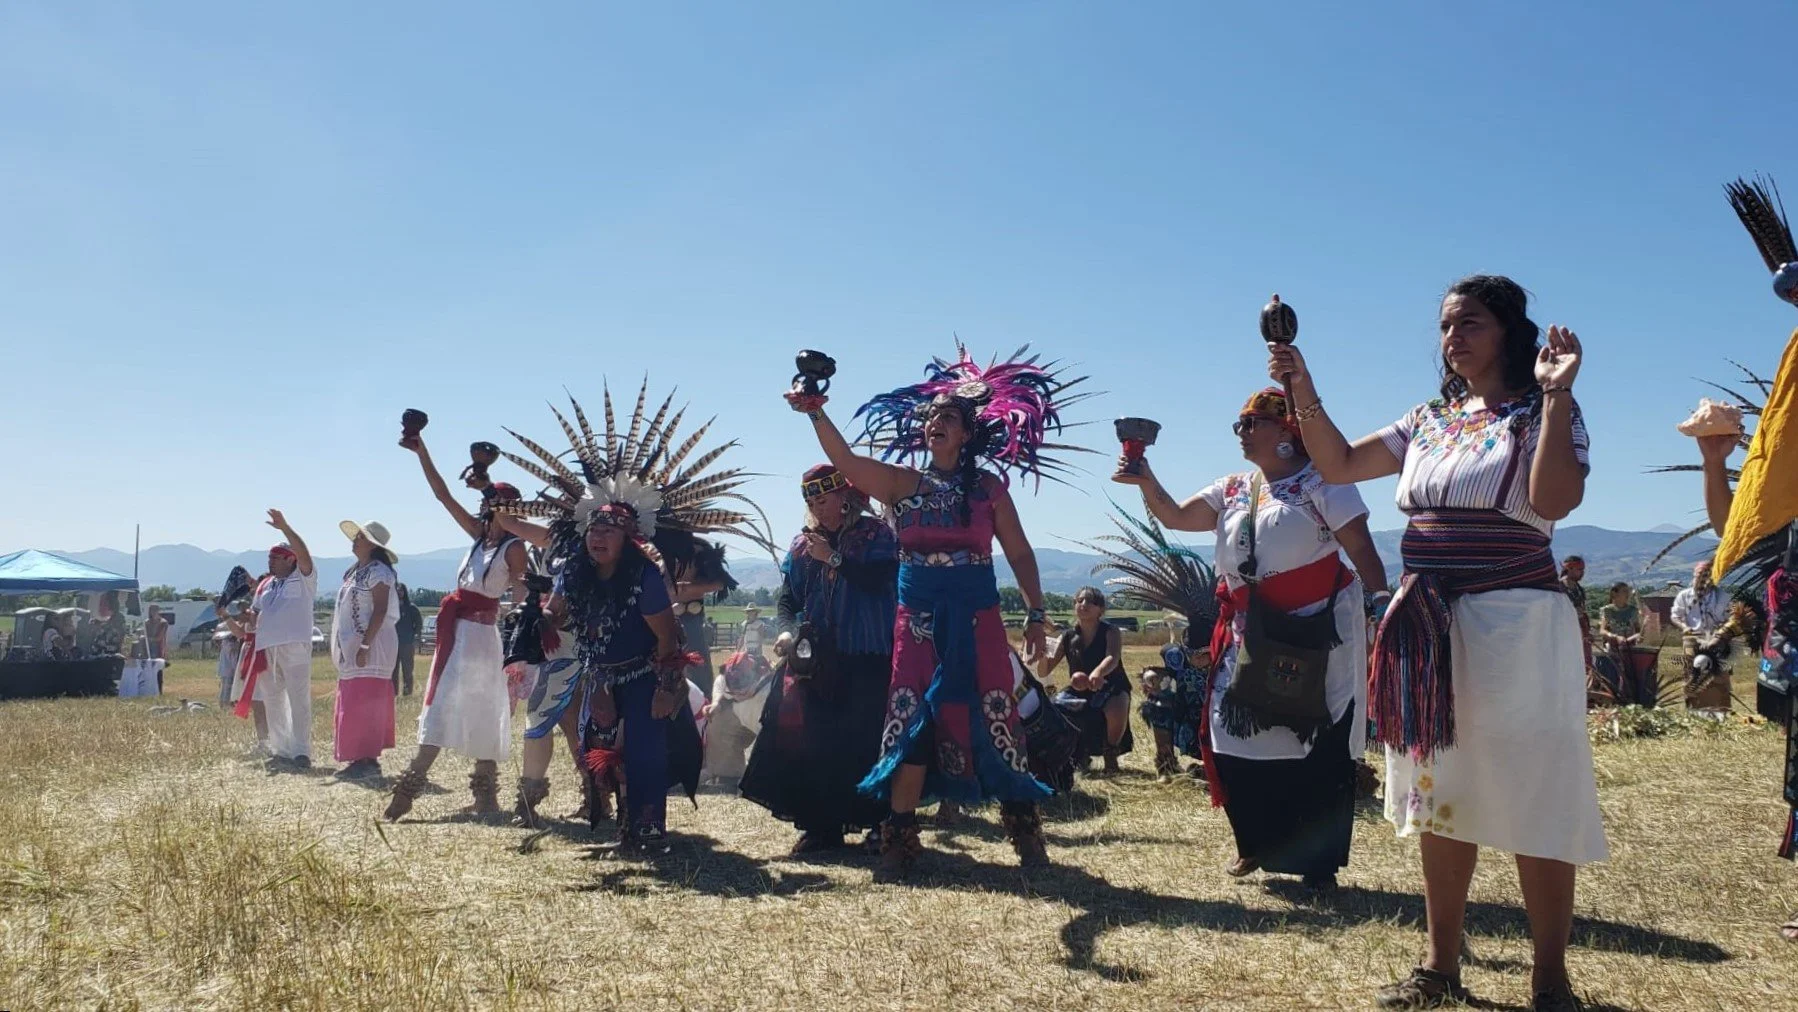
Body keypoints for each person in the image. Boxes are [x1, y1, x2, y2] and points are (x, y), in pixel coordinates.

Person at [1270, 275, 1603, 1011]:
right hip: (1429, 626)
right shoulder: (1430, 417)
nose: (1454, 338)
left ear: (1511, 332)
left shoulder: (1541, 411)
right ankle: (1439, 967)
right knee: (1438, 792)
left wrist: (1555, 394)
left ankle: (1550, 978)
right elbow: (1337, 465)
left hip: (1515, 622)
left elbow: (1553, 502)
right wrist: (1303, 386)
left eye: (1471, 324)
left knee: (1534, 790)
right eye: (1448, 326)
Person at [788, 344, 1087, 877]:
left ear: (967, 432)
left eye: (946, 418)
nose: (935, 425)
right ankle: (899, 840)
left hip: (977, 615)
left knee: (997, 714)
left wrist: (1038, 612)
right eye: (930, 419)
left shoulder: (989, 489)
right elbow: (847, 462)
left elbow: (1017, 551)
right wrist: (816, 411)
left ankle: (1025, 833)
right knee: (909, 717)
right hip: (918, 619)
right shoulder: (904, 483)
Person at [1119, 386, 1387, 892]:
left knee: (1312, 736)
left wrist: (1380, 600)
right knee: (1229, 735)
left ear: (1287, 430)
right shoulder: (1235, 488)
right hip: (1251, 627)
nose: (1241, 433)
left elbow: (1361, 547)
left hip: (1319, 626)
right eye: (1238, 425)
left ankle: (1316, 863)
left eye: (1251, 423)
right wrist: (1144, 477)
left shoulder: (1325, 481)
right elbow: (1178, 517)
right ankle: (1256, 842)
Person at [489, 386, 776, 845]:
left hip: (646, 674)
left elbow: (668, 639)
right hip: (599, 674)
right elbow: (557, 616)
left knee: (643, 751)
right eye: (593, 530)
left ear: (628, 539)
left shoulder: (644, 578)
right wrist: (536, 621)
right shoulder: (575, 573)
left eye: (608, 531)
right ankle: (615, 816)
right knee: (598, 748)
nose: (597, 538)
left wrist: (667, 688)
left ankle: (645, 827)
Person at [741, 464, 899, 854]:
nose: (817, 507)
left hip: (866, 655)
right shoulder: (801, 545)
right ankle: (821, 827)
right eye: (811, 501)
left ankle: (877, 823)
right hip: (814, 658)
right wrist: (785, 630)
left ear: (844, 497)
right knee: (812, 741)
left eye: (823, 499)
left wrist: (833, 559)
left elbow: (881, 582)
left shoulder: (876, 535)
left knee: (864, 740)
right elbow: (788, 600)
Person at [383, 436, 528, 820]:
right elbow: (443, 496)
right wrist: (422, 452)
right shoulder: (479, 539)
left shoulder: (514, 547)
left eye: (491, 504)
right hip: (459, 633)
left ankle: (461, 794)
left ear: (505, 509)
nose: (483, 509)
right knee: (446, 704)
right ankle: (458, 795)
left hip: (480, 637)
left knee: (475, 706)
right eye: (485, 504)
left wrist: (523, 611)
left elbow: (524, 587)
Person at [250, 511, 319, 770]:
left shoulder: (303, 577)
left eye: (276, 558)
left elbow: (305, 554)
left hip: (295, 646)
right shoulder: (267, 585)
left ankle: (301, 751)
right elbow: (257, 611)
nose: (271, 562)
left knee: (299, 698)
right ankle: (281, 749)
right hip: (267, 647)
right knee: (273, 699)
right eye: (269, 558)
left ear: (291, 560)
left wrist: (285, 528)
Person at [331, 521, 400, 779]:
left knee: (365, 699)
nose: (355, 540)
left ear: (372, 545)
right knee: (353, 697)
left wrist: (365, 644)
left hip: (374, 643)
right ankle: (358, 757)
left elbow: (380, 610)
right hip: (353, 643)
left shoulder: (379, 572)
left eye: (361, 537)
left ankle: (367, 759)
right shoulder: (353, 573)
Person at [1044, 587, 1131, 775]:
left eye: (1090, 601)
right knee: (1055, 707)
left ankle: (1110, 755)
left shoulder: (1111, 631)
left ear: (1101, 609)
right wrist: (1039, 650)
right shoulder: (1067, 636)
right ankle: (1075, 754)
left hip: (1111, 686)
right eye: (1080, 601)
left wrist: (1099, 672)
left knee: (1117, 706)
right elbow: (1046, 668)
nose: (1084, 605)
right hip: (1078, 689)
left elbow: (1112, 658)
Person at [1560, 557, 1592, 673]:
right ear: (1569, 568)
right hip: (1565, 633)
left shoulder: (1580, 590)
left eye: (1583, 569)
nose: (1582, 573)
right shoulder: (1558, 589)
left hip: (1582, 632)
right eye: (1579, 569)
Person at [393, 584, 422, 696]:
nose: (399, 592)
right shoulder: (392, 608)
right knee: (393, 670)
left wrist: (414, 636)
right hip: (393, 643)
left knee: (407, 669)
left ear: (405, 592)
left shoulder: (411, 608)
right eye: (397, 591)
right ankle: (394, 693)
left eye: (401, 590)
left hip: (407, 643)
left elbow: (418, 624)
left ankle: (407, 692)